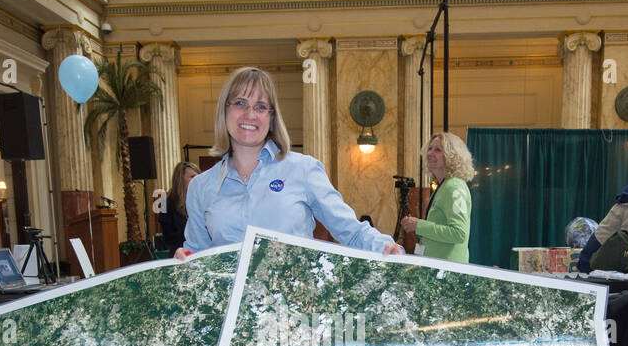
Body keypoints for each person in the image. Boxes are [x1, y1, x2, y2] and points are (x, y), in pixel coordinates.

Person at [176, 67, 403, 257]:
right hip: (230, 309)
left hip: (293, 308)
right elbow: (197, 257)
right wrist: (184, 259)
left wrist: (386, 248)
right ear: (224, 111)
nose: (250, 114)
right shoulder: (200, 187)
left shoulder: (303, 169)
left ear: (271, 117)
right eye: (240, 103)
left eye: (261, 106)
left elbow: (350, 231)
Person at [399, 132, 473, 262]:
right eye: (430, 149)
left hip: (448, 271)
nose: (430, 154)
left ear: (452, 157)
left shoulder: (454, 187)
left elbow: (459, 233)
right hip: (438, 268)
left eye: (438, 150)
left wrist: (419, 225)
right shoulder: (443, 186)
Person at [160, 160, 198, 253]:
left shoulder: (201, 201)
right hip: (180, 254)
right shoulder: (166, 204)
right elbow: (168, 238)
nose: (197, 179)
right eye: (192, 177)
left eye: (198, 176)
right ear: (180, 179)